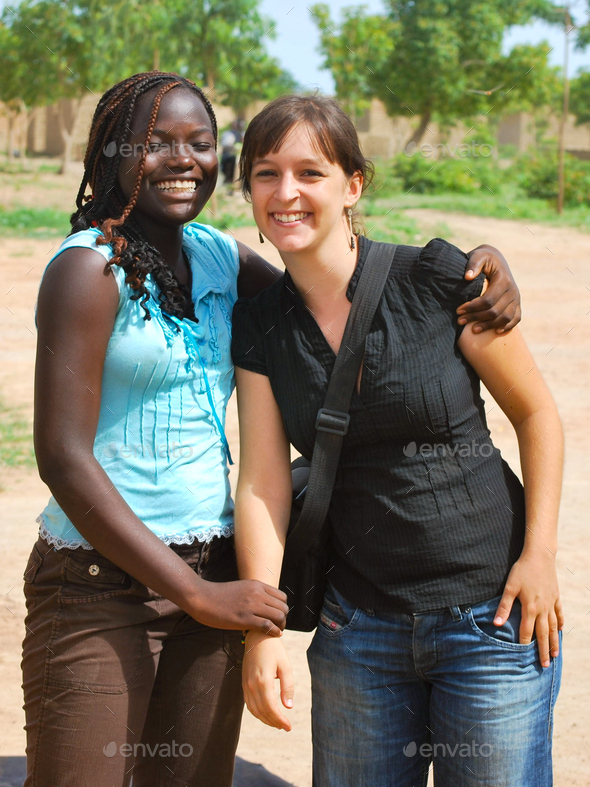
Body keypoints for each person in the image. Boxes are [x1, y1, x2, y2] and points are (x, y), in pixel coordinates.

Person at [23, 71, 519, 786]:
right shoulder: (84, 272)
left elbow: (328, 285)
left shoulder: (216, 257)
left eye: (199, 143)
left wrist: (473, 269)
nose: (183, 159)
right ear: (112, 155)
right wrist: (196, 595)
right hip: (101, 582)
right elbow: (62, 456)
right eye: (156, 142)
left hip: (216, 572)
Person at [231, 94, 564, 787]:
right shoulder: (260, 322)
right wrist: (261, 630)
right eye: (266, 173)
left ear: (352, 186)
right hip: (358, 634)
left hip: (492, 619)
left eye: (310, 172)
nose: (286, 192)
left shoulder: (437, 279)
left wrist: (539, 556)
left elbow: (536, 414)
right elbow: (263, 481)